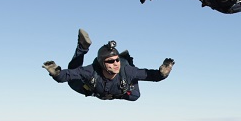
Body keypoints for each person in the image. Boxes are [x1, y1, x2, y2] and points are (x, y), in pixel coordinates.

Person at [43, 34, 174, 101]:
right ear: (101, 64)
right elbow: (67, 76)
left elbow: (152, 76)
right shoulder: (91, 71)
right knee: (72, 80)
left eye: (117, 59)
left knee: (135, 96)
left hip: (122, 91)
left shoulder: (127, 71)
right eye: (111, 61)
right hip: (94, 90)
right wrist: (56, 73)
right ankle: (82, 47)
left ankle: (129, 85)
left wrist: (163, 73)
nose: (116, 63)